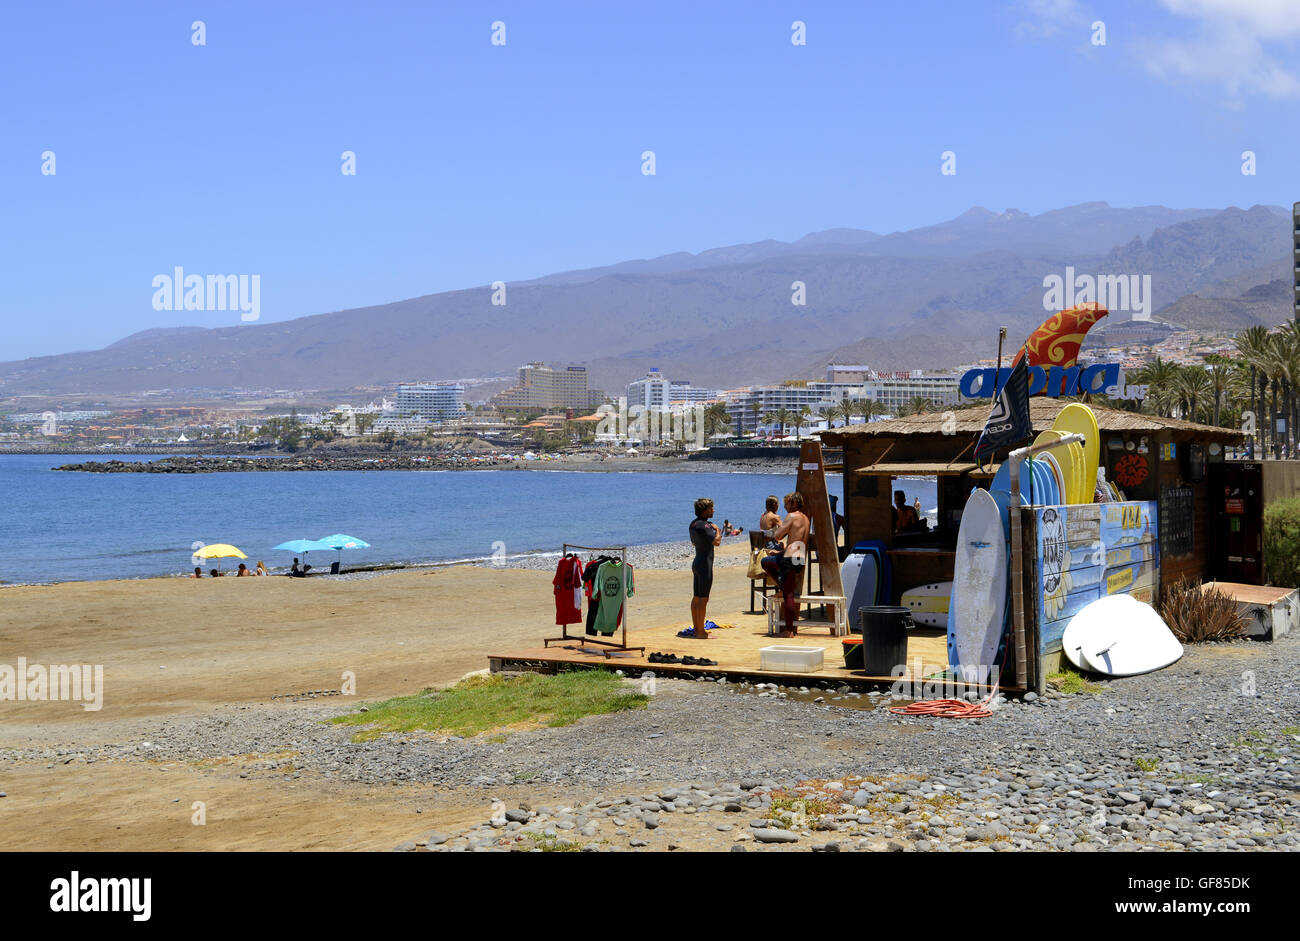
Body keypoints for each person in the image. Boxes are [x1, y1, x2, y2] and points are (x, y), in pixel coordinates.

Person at [761, 492, 810, 637]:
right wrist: (780, 554)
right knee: (787, 590)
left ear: (794, 503)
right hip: (799, 556)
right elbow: (797, 541)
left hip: (790, 557)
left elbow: (778, 536)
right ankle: (782, 587)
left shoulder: (792, 516)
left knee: (766, 563)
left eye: (787, 503)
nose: (784, 506)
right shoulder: (806, 518)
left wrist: (776, 531)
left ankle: (789, 630)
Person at [687, 497, 722, 638]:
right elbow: (717, 542)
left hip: (697, 562)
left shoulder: (693, 524)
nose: (713, 510)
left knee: (696, 597)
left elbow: (694, 543)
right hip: (705, 564)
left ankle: (697, 628)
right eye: (711, 508)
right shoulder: (705, 526)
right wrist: (718, 530)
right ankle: (701, 632)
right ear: (705, 510)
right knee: (703, 599)